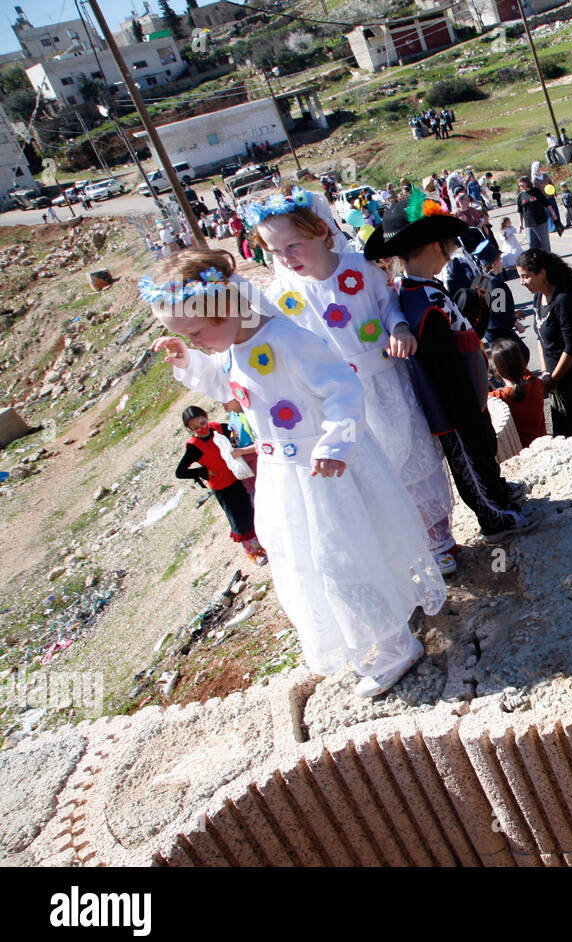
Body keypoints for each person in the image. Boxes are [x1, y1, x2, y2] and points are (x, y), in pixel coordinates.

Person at [148, 250, 444, 698]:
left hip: (327, 471)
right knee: (313, 562)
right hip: (285, 475)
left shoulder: (287, 340)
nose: (199, 341)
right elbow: (231, 384)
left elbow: (343, 390)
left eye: (196, 332)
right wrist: (188, 360)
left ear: (227, 305)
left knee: (345, 558)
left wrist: (335, 442)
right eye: (186, 335)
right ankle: (375, 634)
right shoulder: (232, 347)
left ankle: (396, 645)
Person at [246, 188, 459, 575]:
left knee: (413, 458)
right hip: (341, 400)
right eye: (275, 251)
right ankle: (405, 549)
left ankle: (438, 539)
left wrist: (398, 327)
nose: (286, 258)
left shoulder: (360, 269)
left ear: (322, 231)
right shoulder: (281, 296)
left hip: (387, 383)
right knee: (376, 474)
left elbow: (387, 303)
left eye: (293, 245)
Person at [364, 195, 535, 544]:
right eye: (445, 240)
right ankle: (493, 517)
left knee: (483, 451)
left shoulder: (426, 290)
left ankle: (498, 493)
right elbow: (440, 363)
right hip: (454, 406)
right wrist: (464, 407)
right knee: (470, 461)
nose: (451, 247)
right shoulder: (419, 303)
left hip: (468, 397)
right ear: (431, 245)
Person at [516, 248, 572, 442]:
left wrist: (553, 379)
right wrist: (546, 373)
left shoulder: (563, 300)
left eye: (525, 276)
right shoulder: (537, 297)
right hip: (556, 383)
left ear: (542, 273)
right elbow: (540, 338)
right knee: (568, 440)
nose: (522, 282)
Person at [174, 405, 267, 565]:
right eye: (195, 427)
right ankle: (254, 552)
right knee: (239, 519)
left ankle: (266, 541)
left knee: (254, 509)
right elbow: (180, 472)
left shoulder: (220, 428)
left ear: (207, 417)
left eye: (202, 423)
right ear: (189, 428)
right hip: (223, 488)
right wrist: (203, 472)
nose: (201, 428)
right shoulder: (194, 446)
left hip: (240, 478)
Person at [489, 339, 546, 449]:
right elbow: (525, 374)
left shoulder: (499, 398)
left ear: (498, 371)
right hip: (542, 443)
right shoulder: (535, 383)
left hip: (522, 450)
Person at [516, 176, 552, 253]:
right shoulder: (520, 196)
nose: (520, 184)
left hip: (541, 221)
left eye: (522, 182)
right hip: (529, 224)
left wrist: (554, 216)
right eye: (520, 182)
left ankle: (548, 260)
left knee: (544, 245)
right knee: (532, 246)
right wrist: (521, 222)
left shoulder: (536, 191)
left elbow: (546, 203)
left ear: (527, 182)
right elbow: (520, 210)